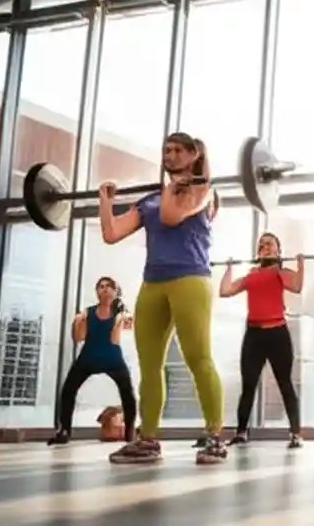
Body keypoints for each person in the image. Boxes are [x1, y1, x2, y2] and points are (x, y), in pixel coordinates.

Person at [97, 131, 226, 465]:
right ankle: (148, 439)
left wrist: (175, 184)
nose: (167, 155)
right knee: (149, 365)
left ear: (193, 153)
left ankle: (215, 438)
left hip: (190, 279)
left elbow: (171, 215)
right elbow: (112, 233)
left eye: (175, 150)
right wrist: (105, 201)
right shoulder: (151, 199)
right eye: (165, 150)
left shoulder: (203, 190)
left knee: (198, 357)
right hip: (153, 283)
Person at [218, 232, 305, 449]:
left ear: (277, 250)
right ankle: (240, 432)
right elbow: (225, 291)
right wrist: (228, 270)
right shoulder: (251, 275)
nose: (265, 246)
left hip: (277, 334)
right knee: (248, 386)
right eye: (262, 244)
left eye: (269, 244)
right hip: (254, 335)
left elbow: (296, 286)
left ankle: (296, 434)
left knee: (285, 384)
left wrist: (302, 265)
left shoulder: (280, 272)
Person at [48, 276, 136, 446]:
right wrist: (78, 321)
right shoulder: (88, 312)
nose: (104, 289)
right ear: (97, 292)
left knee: (128, 393)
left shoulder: (120, 312)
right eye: (101, 286)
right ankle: (64, 430)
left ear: (116, 291)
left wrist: (124, 317)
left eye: (109, 286)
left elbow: (130, 324)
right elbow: (78, 337)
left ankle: (129, 431)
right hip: (88, 358)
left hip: (112, 359)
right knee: (68, 390)